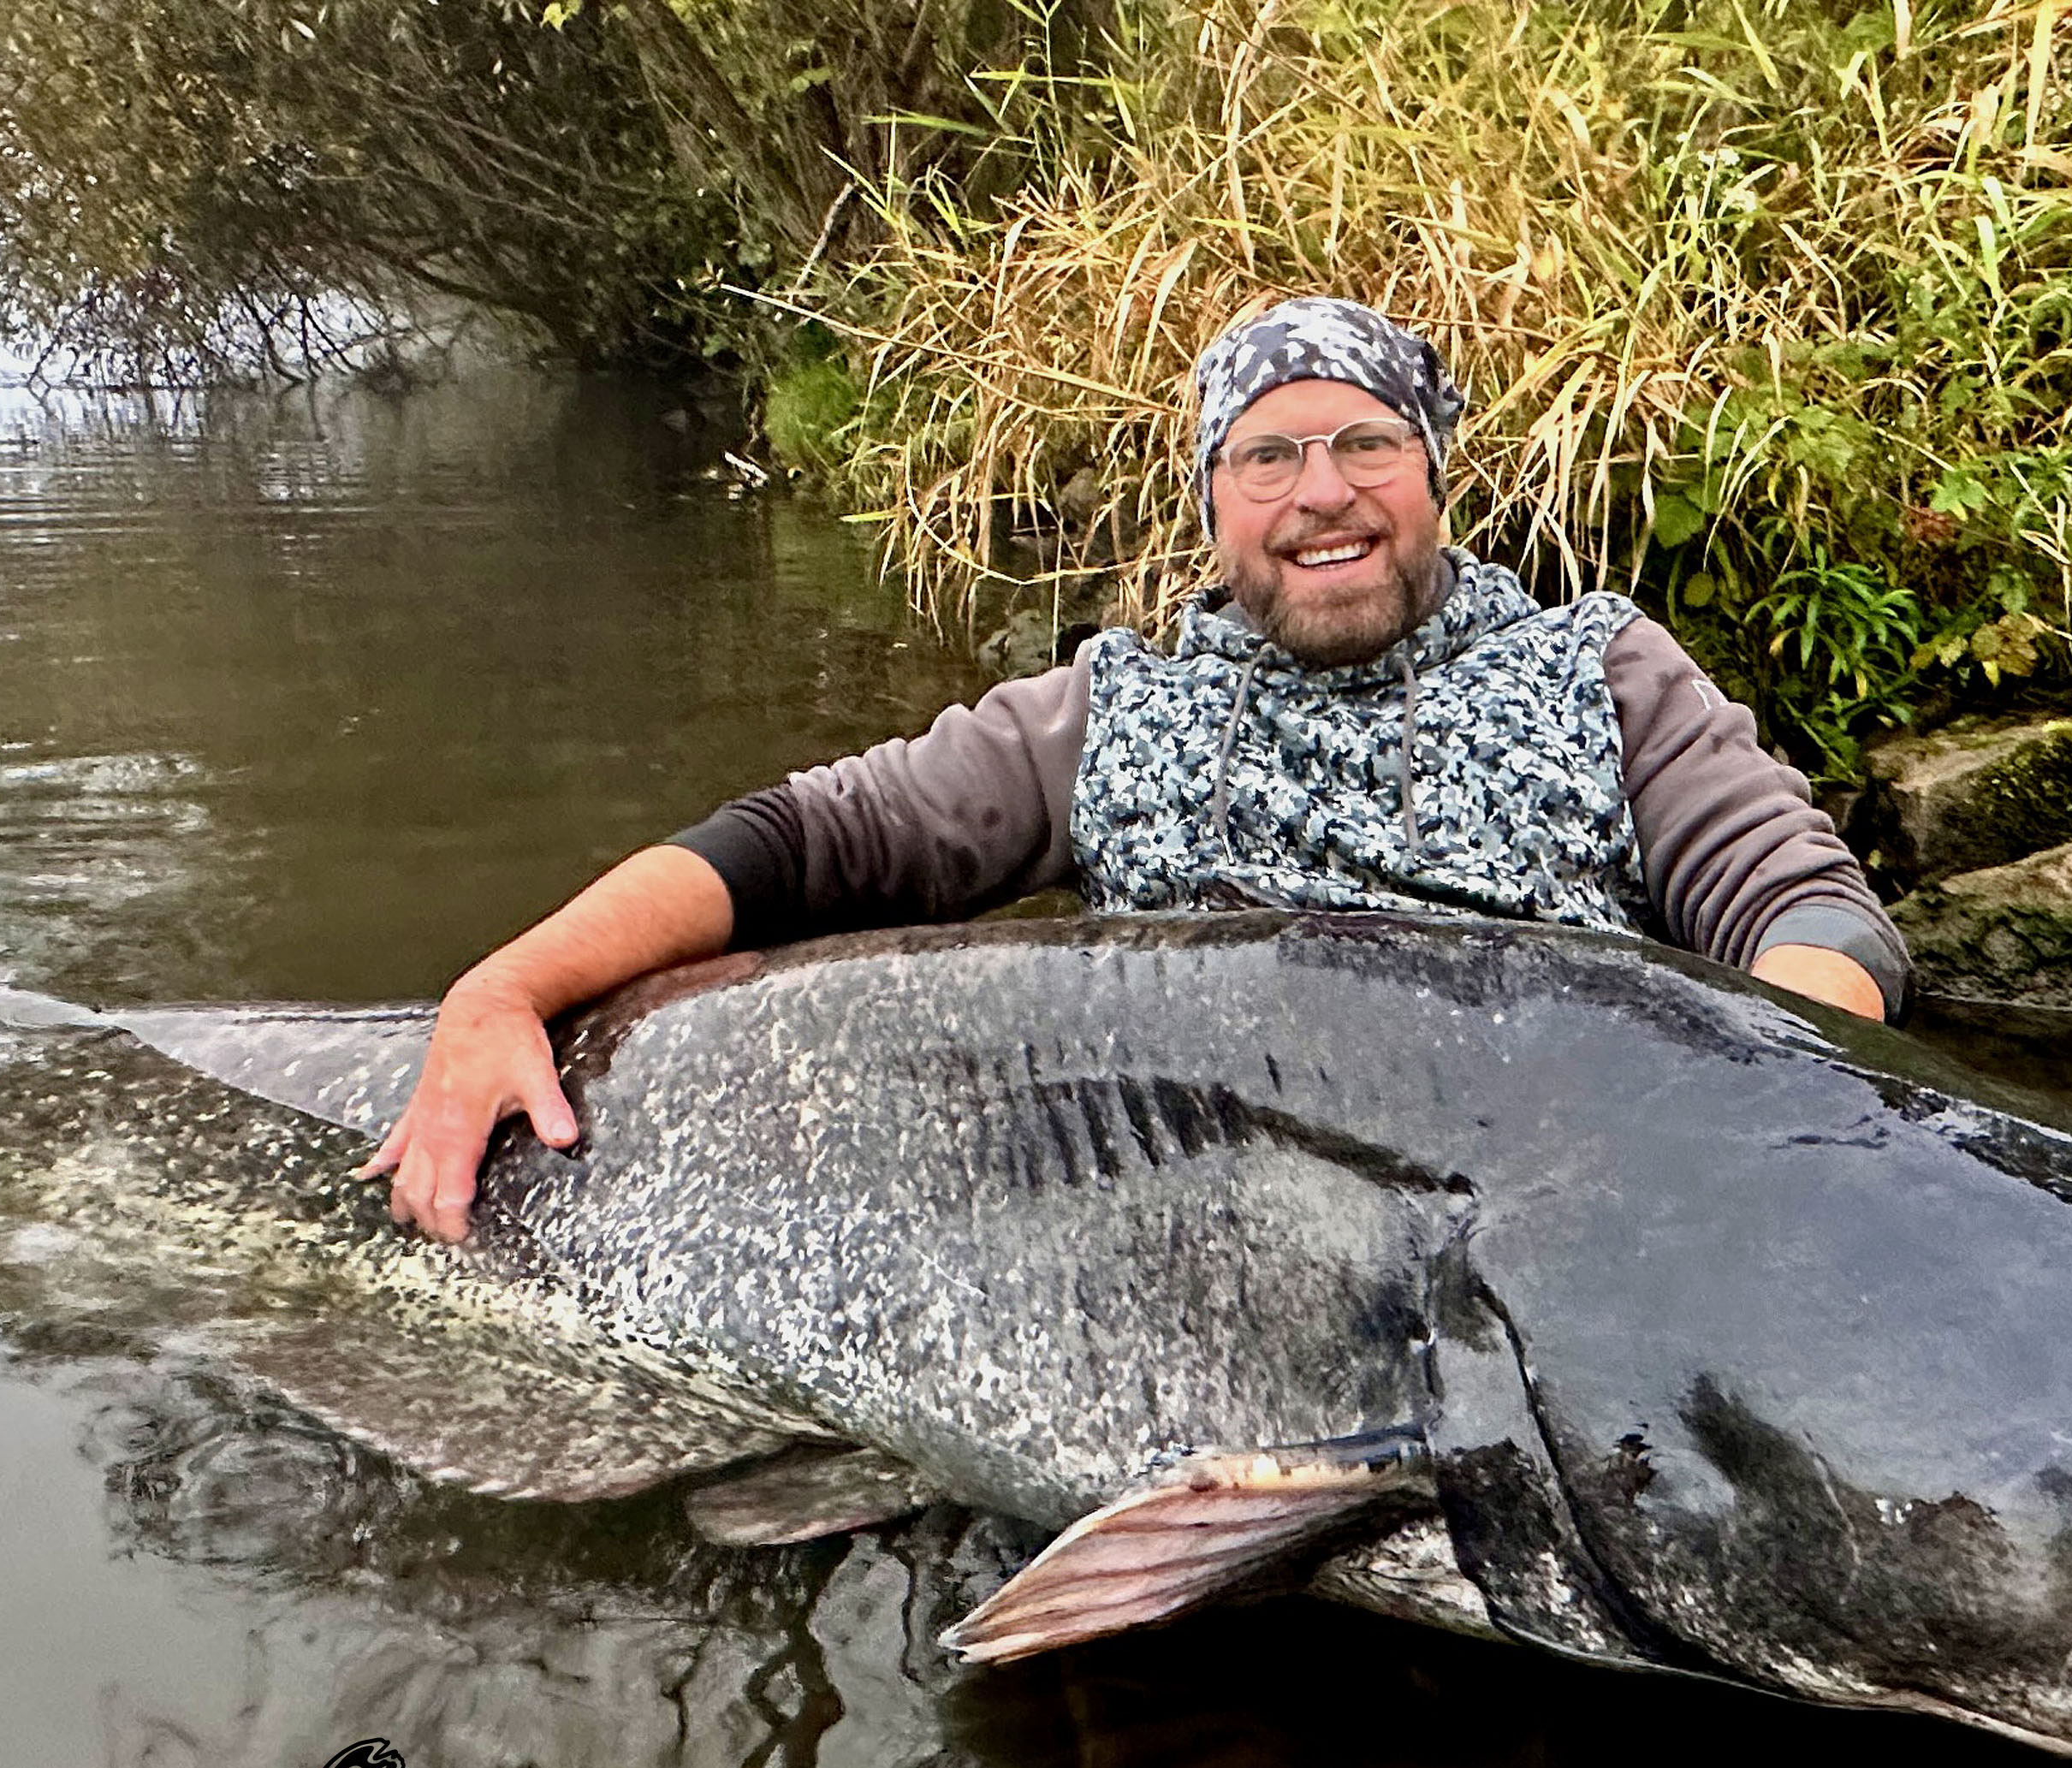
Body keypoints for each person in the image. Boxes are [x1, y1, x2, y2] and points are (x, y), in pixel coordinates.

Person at [366, 296, 1909, 1240]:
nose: (1324, 495)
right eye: (1269, 458)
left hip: (1532, 1226)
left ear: (1435, 473)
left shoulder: (1604, 669)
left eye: (1368, 444)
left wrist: (1722, 1127)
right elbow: (802, 842)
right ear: (1214, 503)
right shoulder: (1109, 711)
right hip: (1165, 1251)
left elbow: (1815, 923)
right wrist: (505, 989)